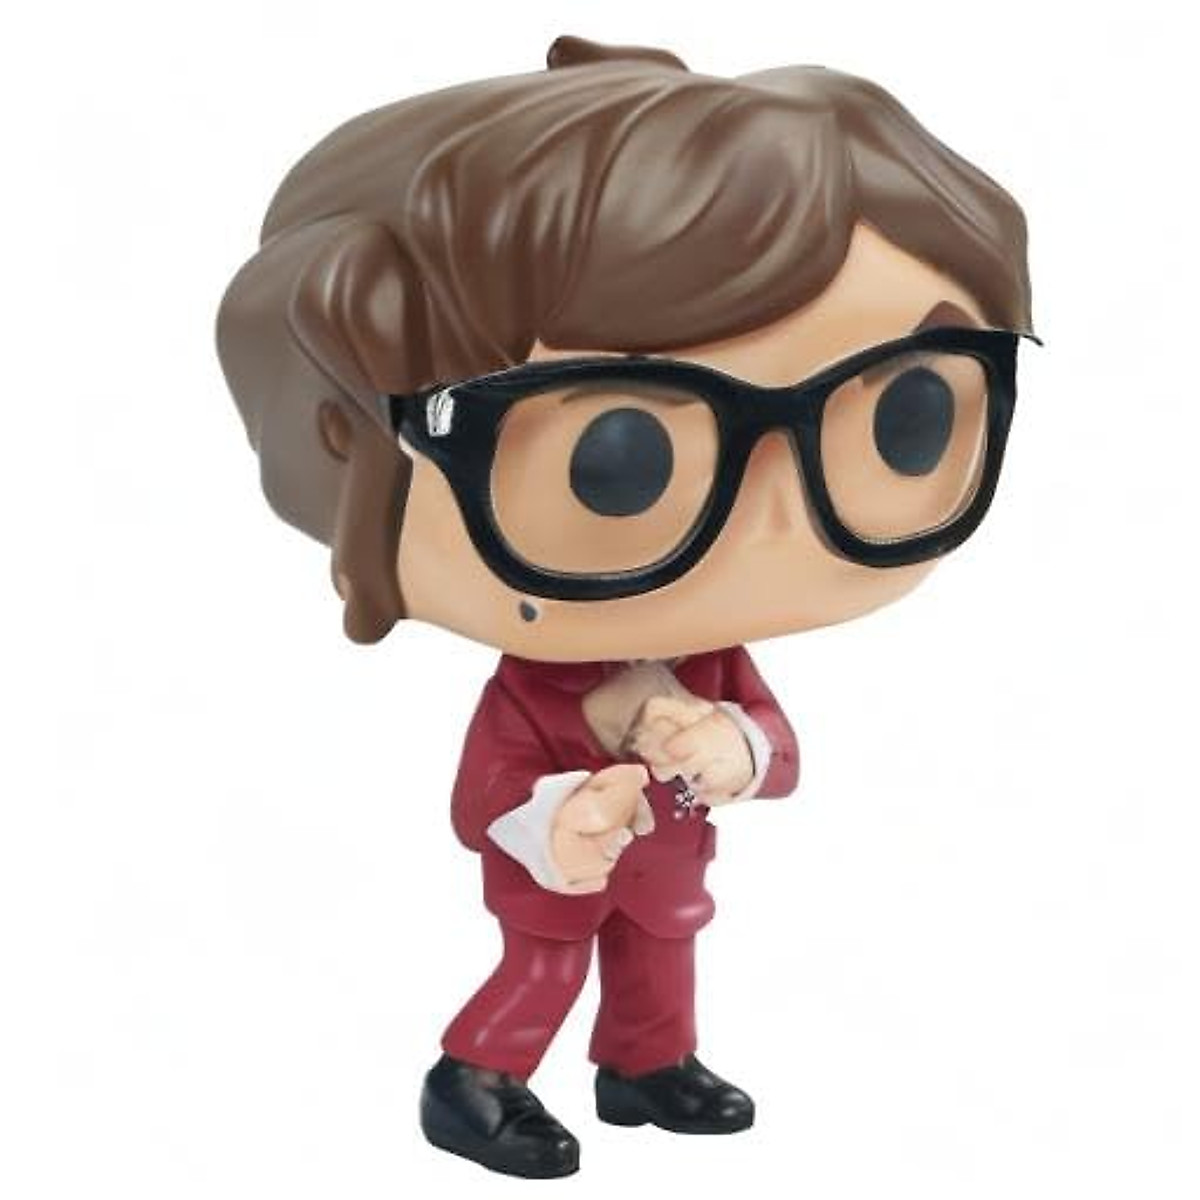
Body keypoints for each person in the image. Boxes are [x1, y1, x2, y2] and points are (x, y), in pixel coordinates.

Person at [216, 33, 1035, 1179]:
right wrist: (557, 820)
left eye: (908, 414)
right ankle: (476, 1079)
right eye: (620, 455)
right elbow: (485, 795)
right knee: (545, 968)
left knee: (664, 965)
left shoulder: (708, 662)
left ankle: (649, 1064)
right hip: (563, 876)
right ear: (356, 444)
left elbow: (777, 747)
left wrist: (738, 748)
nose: (775, 522)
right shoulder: (538, 688)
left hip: (670, 878)